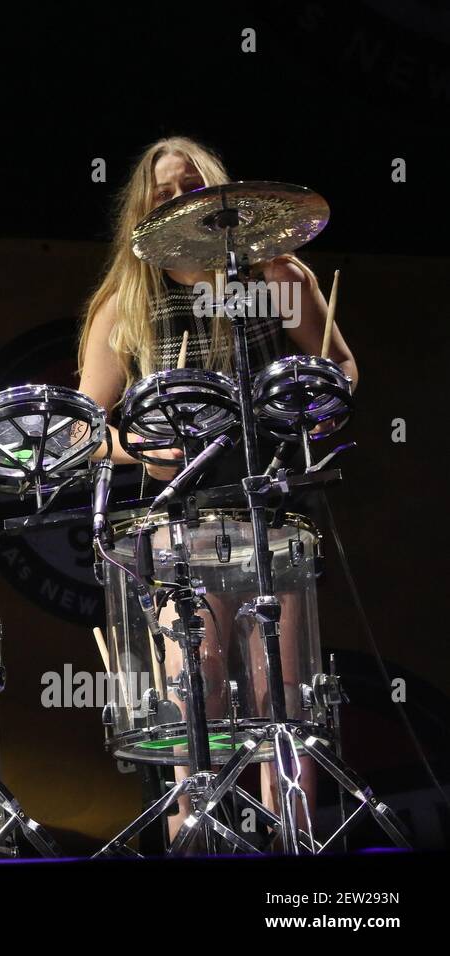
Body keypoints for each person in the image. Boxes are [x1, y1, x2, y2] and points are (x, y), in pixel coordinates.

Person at [76, 136, 359, 845]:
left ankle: (292, 842)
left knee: (280, 694)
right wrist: (142, 446)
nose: (181, 201)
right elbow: (82, 427)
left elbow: (343, 371)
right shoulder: (127, 299)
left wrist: (309, 411)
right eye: (165, 192)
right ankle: (193, 833)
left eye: (192, 186)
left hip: (273, 506)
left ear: (222, 195)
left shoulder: (276, 271)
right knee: (193, 685)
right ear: (144, 208)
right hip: (182, 516)